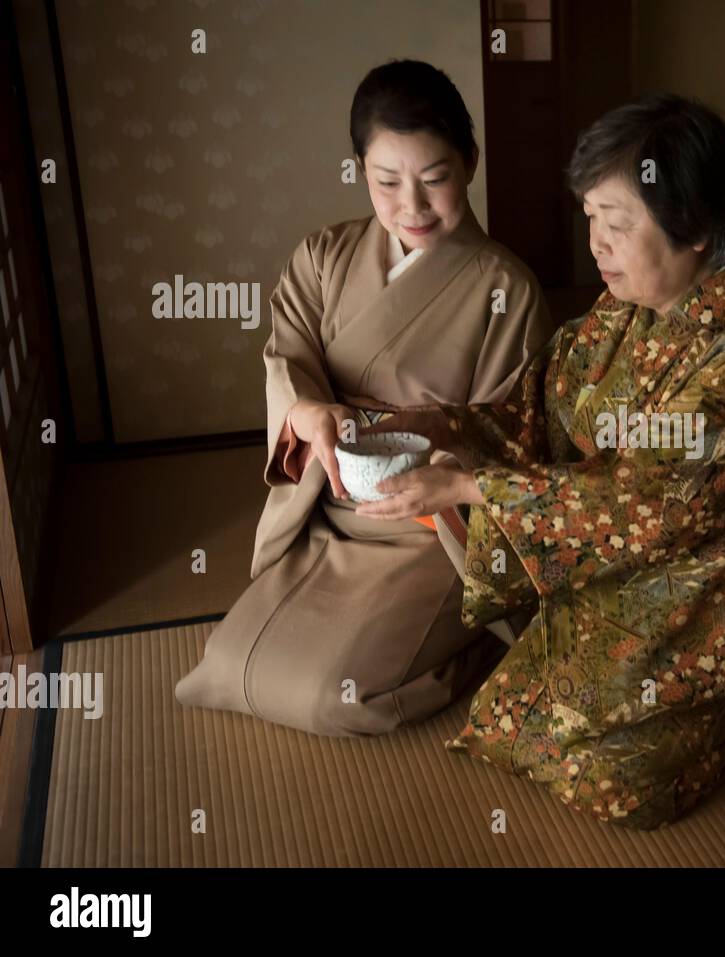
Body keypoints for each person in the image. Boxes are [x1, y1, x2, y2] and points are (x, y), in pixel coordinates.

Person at [353, 93, 725, 829]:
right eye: (591, 220)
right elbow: (534, 405)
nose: (596, 244)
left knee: (616, 784)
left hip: (704, 602)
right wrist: (438, 423)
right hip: (623, 577)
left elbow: (649, 500)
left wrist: (474, 483)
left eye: (617, 223)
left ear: (695, 227)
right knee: (514, 717)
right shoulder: (629, 307)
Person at [174, 60, 552, 736]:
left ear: (469, 162)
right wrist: (309, 410)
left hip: (428, 526)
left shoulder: (507, 289)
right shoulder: (324, 256)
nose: (413, 205)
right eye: (386, 182)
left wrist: (437, 468)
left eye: (435, 178)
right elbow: (287, 354)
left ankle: (478, 639)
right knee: (230, 665)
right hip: (325, 498)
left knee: (335, 697)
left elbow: (511, 431)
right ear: (359, 172)